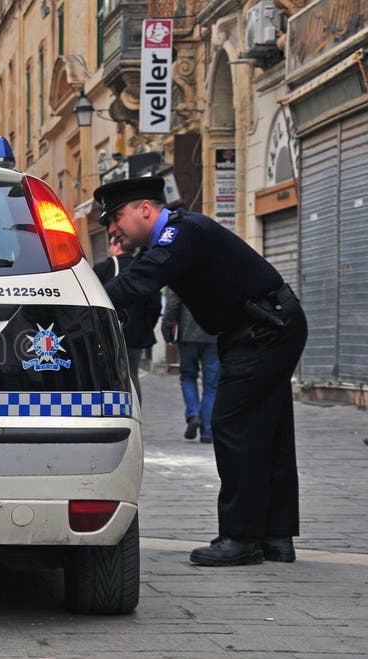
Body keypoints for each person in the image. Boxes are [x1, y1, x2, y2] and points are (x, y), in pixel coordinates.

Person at [94, 176, 307, 567]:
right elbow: (138, 276)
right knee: (270, 428)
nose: (113, 230)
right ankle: (276, 537)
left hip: (264, 330)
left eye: (116, 217)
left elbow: (140, 281)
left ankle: (240, 538)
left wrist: (84, 303)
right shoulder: (171, 239)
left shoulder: (182, 232)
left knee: (232, 426)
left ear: (145, 209)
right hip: (268, 325)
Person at [93, 238, 161, 402]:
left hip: (108, 334)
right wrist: (145, 326)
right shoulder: (144, 267)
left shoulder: (104, 268)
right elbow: (155, 305)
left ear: (116, 246)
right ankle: (135, 414)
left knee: (108, 375)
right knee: (132, 375)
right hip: (136, 334)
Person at [162, 288, 219, 443]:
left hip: (188, 336)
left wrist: (167, 331)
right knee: (211, 385)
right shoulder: (219, 272)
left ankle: (193, 414)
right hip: (214, 335)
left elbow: (172, 305)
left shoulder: (184, 271)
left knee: (188, 377)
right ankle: (207, 431)